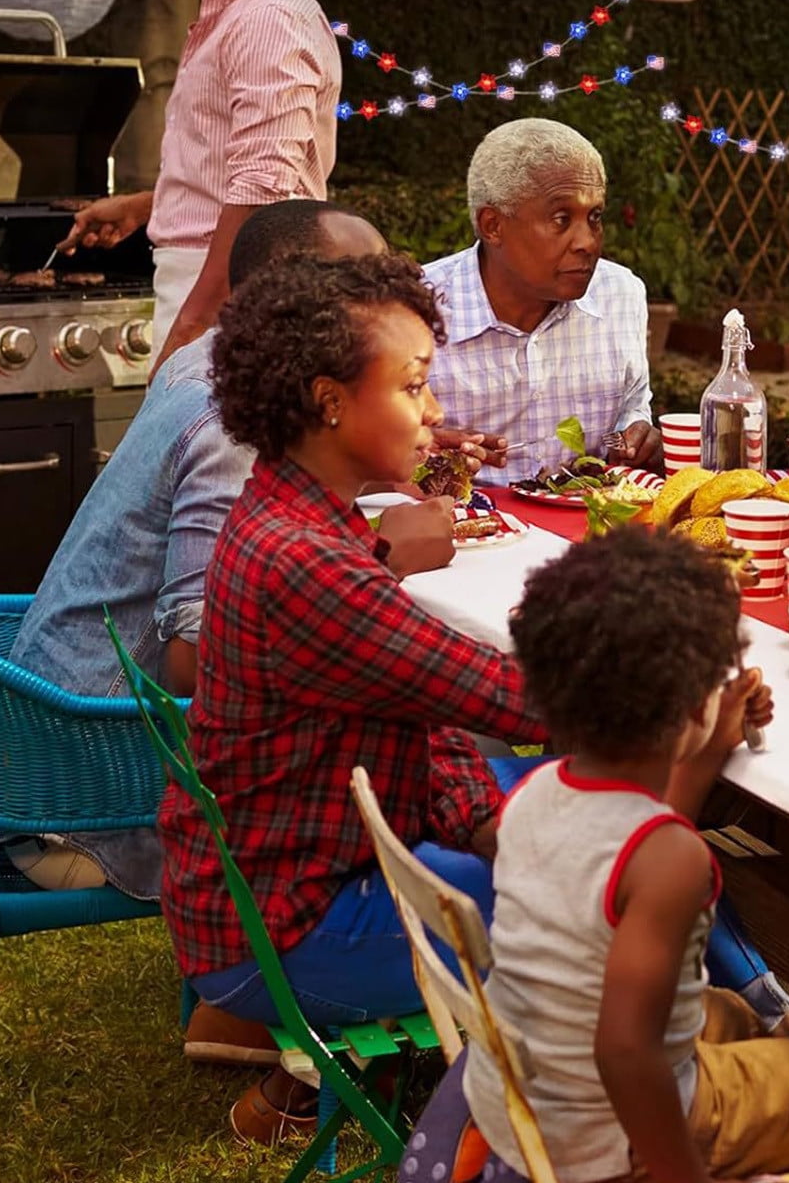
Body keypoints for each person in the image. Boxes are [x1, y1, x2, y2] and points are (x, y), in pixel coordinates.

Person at [158, 253, 547, 1143]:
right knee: (615, 879)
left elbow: (427, 701)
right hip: (290, 932)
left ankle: (742, 1054)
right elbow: (503, 696)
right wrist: (673, 679)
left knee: (593, 829)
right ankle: (726, 1091)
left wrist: (482, 814)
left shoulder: (296, 519)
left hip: (287, 889)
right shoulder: (308, 563)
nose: (437, 411)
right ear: (331, 401)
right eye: (414, 385)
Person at [468, 526, 789, 1182]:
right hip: (608, 1142)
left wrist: (710, 747)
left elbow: (632, 846)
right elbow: (627, 1051)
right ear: (687, 703)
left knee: (733, 1015)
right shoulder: (671, 859)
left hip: (521, 1098)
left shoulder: (537, 793)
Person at [4, 202, 459, 914]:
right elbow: (200, 659)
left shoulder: (208, 362)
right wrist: (380, 555)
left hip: (38, 759)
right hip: (92, 800)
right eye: (355, 294)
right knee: (399, 737)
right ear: (281, 304)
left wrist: (384, 442)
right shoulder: (230, 431)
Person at [57, 0, 340, 367]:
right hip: (220, 278)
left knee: (209, 448)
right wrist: (150, 205)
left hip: (235, 287)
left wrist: (194, 322)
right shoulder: (246, 12)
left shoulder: (266, 15)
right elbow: (235, 163)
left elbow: (263, 184)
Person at [424, 118, 663, 484]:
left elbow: (632, 409)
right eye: (561, 219)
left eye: (594, 216)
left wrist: (637, 436)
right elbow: (359, 452)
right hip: (463, 532)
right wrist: (413, 453)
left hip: (589, 531)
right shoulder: (417, 308)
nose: (587, 242)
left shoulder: (620, 294)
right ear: (493, 225)